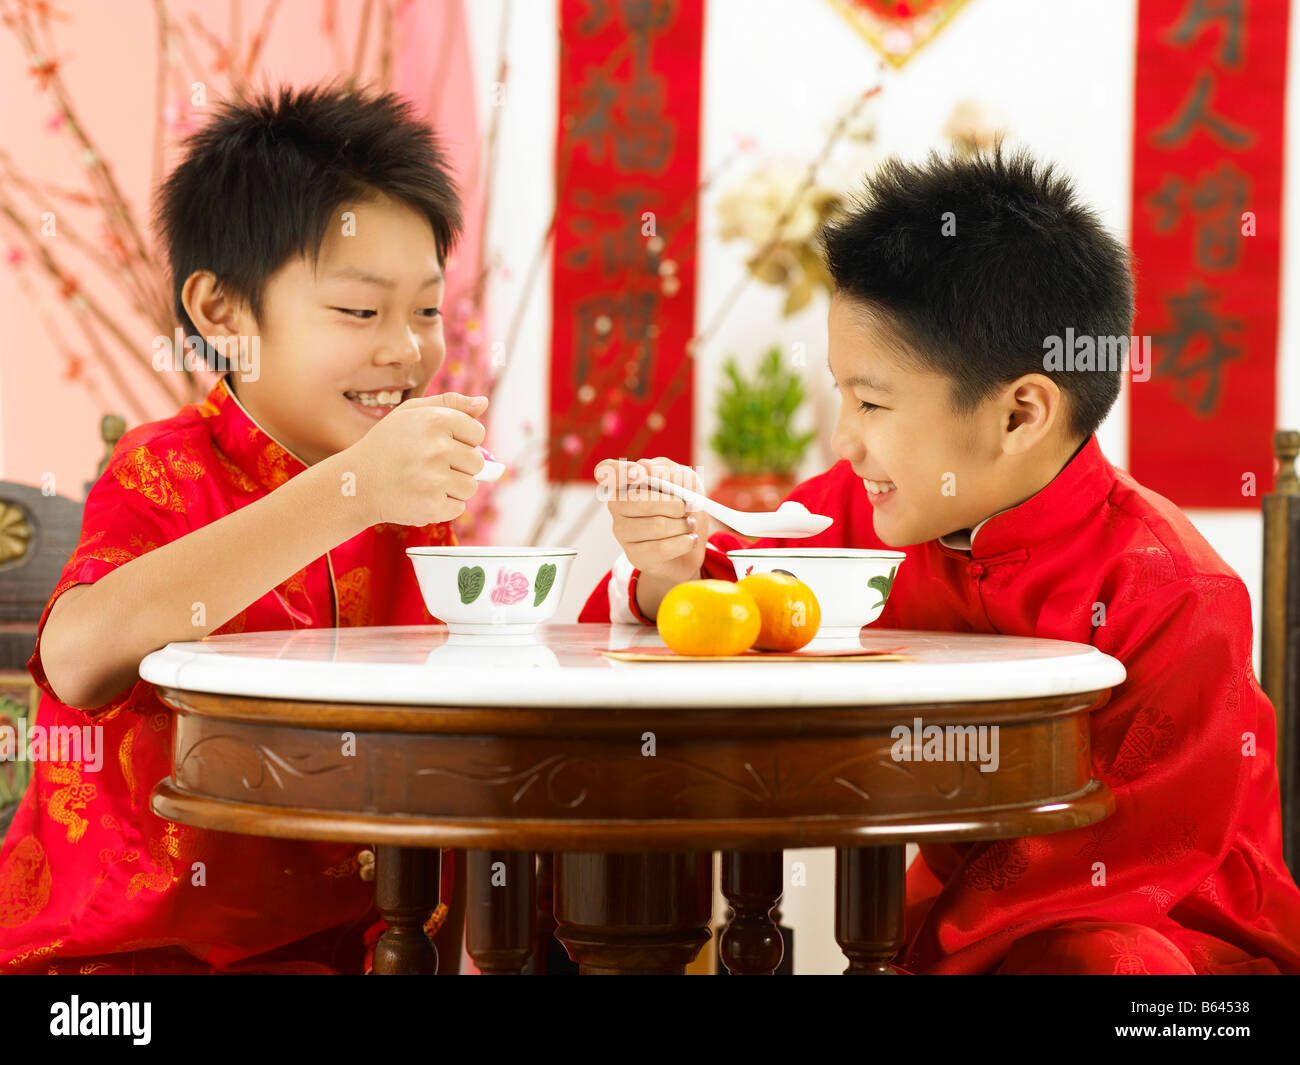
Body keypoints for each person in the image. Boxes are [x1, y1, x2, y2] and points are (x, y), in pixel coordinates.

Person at [580, 145, 1300, 975]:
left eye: (873, 401)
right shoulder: (871, 508)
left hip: (1177, 952)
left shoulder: (1174, 592)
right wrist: (669, 563)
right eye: (842, 394)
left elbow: (1130, 862)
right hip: (962, 929)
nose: (843, 437)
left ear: (1022, 412)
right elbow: (734, 584)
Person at [0, 82, 486, 974]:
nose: (408, 350)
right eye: (360, 311)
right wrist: (351, 491)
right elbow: (73, 659)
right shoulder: (166, 467)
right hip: (135, 966)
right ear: (222, 313)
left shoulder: (409, 497)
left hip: (367, 944)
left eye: (426, 310)